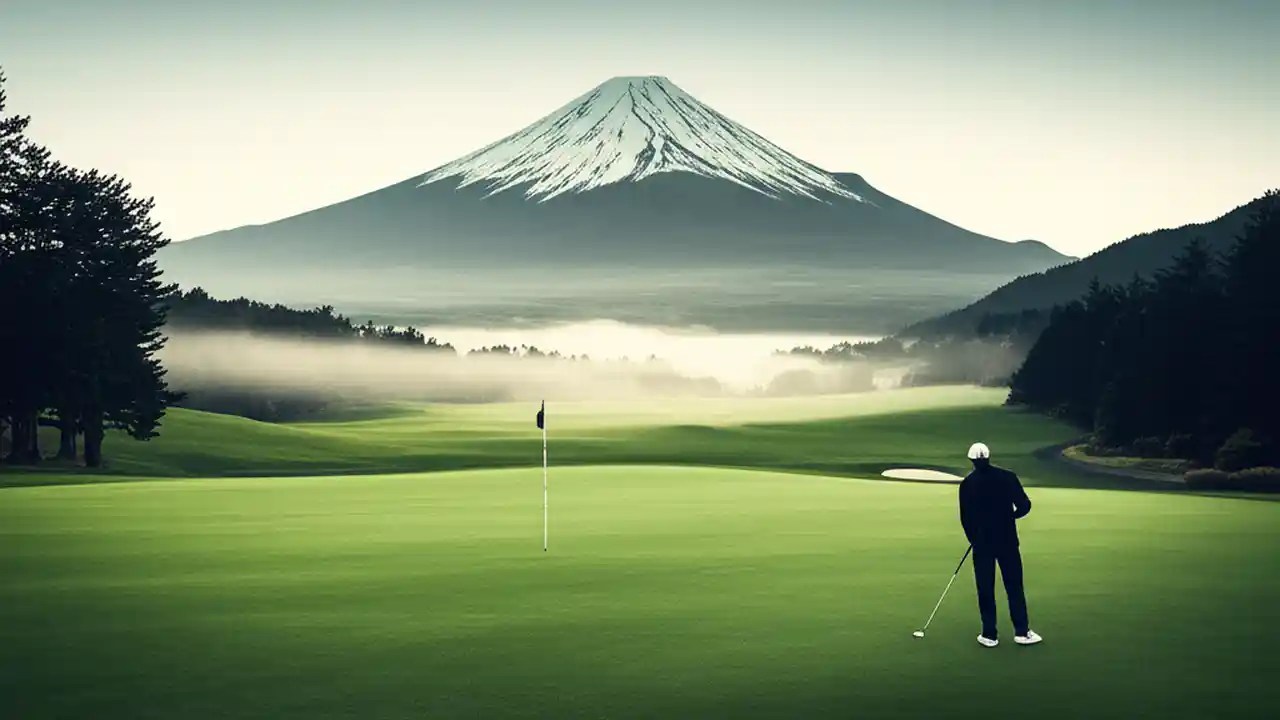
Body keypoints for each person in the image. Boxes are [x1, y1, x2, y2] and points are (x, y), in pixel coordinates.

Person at [958, 442, 1043, 647]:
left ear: (971, 460)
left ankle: (989, 635)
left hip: (982, 544)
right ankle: (1022, 632)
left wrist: (974, 538)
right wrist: (1010, 517)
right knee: (1014, 586)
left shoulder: (968, 483)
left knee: (985, 588)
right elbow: (1025, 505)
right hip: (1007, 540)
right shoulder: (1007, 477)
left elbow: (965, 518)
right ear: (988, 457)